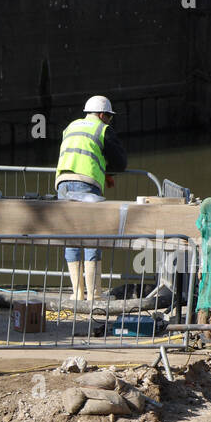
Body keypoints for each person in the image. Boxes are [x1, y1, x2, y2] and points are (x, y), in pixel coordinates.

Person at [55, 95, 128, 302]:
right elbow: (120, 162)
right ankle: (94, 294)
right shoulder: (102, 129)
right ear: (103, 115)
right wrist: (108, 171)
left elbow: (81, 153)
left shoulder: (71, 127)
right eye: (109, 117)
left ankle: (77, 294)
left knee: (71, 237)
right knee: (91, 236)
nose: (109, 121)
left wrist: (103, 172)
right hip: (85, 185)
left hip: (63, 183)